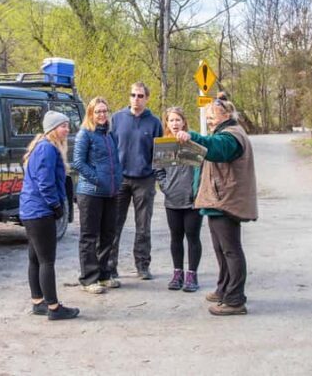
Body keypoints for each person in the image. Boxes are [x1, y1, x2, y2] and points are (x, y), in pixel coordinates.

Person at [174, 99, 257, 316]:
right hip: (217, 200)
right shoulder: (225, 132)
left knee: (231, 250)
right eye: (207, 116)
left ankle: (235, 299)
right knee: (222, 250)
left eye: (212, 116)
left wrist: (192, 136)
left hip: (225, 202)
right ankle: (224, 290)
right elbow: (208, 153)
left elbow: (216, 148)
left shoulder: (231, 135)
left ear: (226, 115)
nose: (209, 120)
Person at [19, 110, 80, 321]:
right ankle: (54, 307)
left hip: (30, 210)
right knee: (47, 261)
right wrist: (55, 205)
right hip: (39, 211)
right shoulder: (48, 149)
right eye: (63, 125)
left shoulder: (41, 145)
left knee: (35, 258)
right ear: (53, 129)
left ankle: (38, 302)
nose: (67, 129)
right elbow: (45, 182)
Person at [109, 82, 163, 280]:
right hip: (120, 179)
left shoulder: (154, 122)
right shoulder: (116, 119)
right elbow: (109, 148)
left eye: (140, 96)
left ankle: (142, 265)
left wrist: (157, 175)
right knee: (114, 224)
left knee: (143, 225)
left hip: (145, 179)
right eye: (133, 95)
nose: (136, 99)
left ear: (147, 98)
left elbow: (160, 154)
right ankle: (110, 266)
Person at [73, 97, 123, 294]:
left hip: (110, 192)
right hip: (90, 192)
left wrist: (117, 178)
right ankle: (88, 278)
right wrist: (97, 179)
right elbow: (78, 162)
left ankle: (104, 274)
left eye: (105, 111)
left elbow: (115, 161)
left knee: (108, 234)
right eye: (98, 111)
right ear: (91, 114)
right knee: (89, 236)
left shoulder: (109, 135)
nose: (102, 115)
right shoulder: (85, 134)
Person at [157, 107, 202, 292]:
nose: (175, 123)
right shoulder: (164, 145)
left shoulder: (192, 143)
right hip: (172, 200)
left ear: (184, 121)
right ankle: (177, 273)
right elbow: (158, 171)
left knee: (192, 237)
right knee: (176, 237)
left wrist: (197, 192)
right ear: (166, 123)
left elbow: (201, 170)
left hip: (192, 201)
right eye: (171, 120)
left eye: (178, 120)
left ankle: (192, 275)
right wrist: (166, 187)